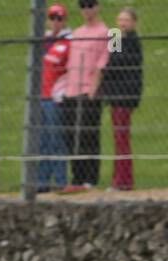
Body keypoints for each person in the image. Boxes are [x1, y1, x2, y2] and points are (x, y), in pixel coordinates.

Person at [59, 0, 109, 192]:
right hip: (71, 90)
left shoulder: (106, 32)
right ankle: (77, 178)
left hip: (88, 90)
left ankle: (90, 179)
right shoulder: (77, 33)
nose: (86, 10)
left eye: (90, 5)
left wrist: (93, 90)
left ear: (98, 7)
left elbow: (103, 62)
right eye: (83, 6)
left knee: (89, 135)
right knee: (72, 136)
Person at [99, 7, 143, 191]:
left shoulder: (133, 41)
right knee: (118, 138)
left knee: (122, 138)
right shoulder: (116, 36)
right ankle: (120, 179)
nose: (122, 23)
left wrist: (109, 66)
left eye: (126, 20)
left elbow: (119, 61)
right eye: (120, 20)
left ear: (133, 23)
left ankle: (124, 181)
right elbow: (112, 60)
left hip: (125, 94)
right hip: (115, 93)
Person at [37, 4, 72, 193]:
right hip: (41, 95)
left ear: (65, 20)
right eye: (52, 18)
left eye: (59, 18)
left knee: (56, 139)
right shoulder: (43, 40)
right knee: (42, 141)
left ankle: (60, 180)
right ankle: (42, 180)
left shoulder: (68, 42)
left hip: (56, 97)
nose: (56, 21)